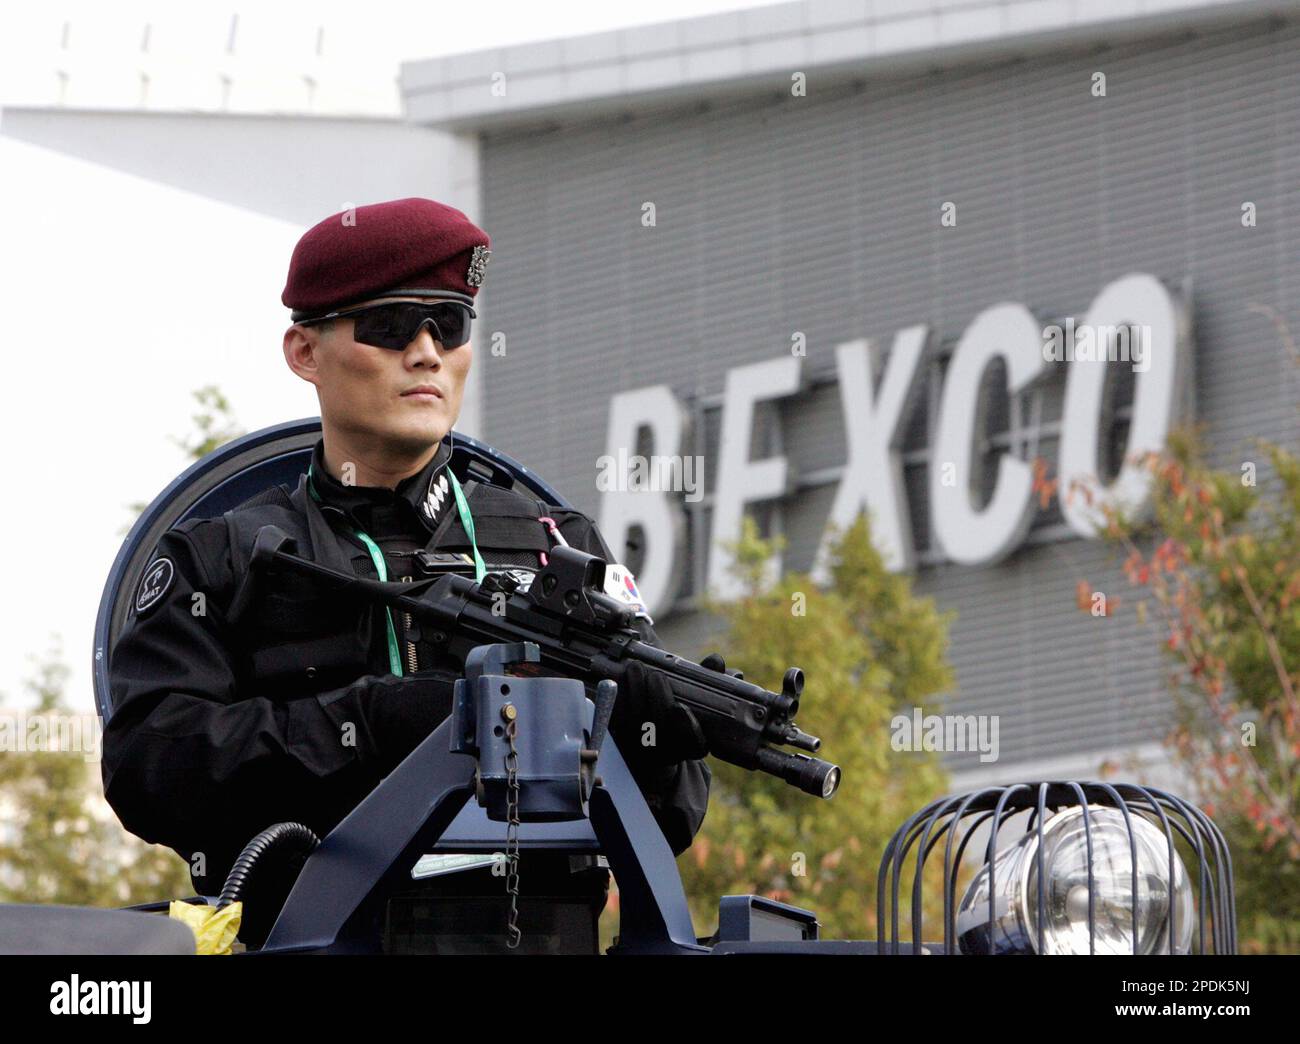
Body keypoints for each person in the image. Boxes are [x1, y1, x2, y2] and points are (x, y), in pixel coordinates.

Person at [102, 197, 713, 950]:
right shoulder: (221, 557)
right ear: (304, 352)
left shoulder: (560, 550)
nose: (425, 351)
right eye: (390, 327)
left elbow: (674, 817)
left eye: (449, 326)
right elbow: (150, 766)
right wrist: (371, 722)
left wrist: (647, 740)